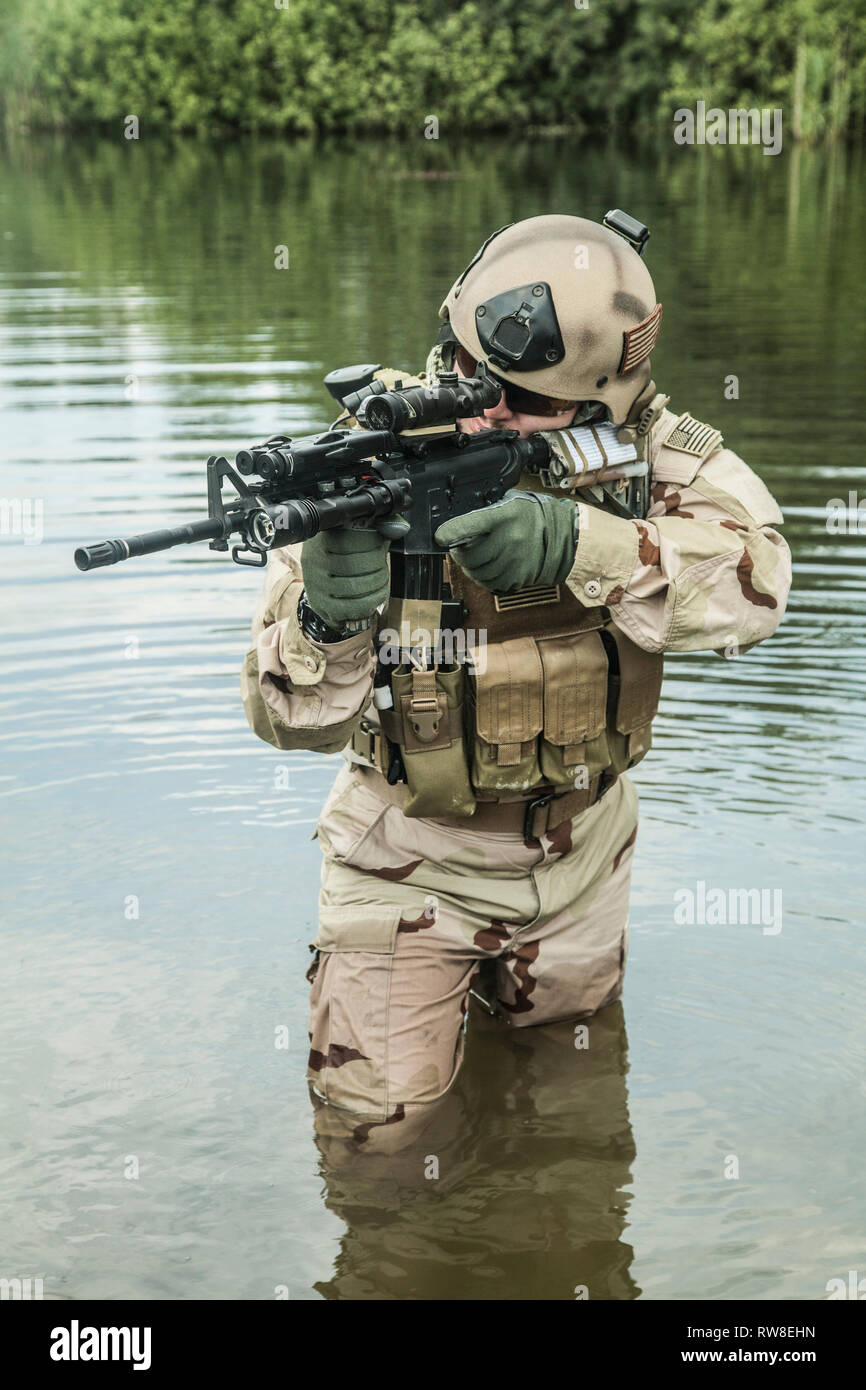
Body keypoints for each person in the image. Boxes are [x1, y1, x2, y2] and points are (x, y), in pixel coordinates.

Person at [241, 212, 792, 1141]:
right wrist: (325, 619)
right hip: (407, 866)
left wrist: (591, 546)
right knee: (376, 1148)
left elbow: (761, 587)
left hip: (584, 855)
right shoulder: (368, 464)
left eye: (524, 401)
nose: (487, 410)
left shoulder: (648, 452)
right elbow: (289, 721)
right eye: (472, 377)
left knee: (573, 1127)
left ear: (606, 396)